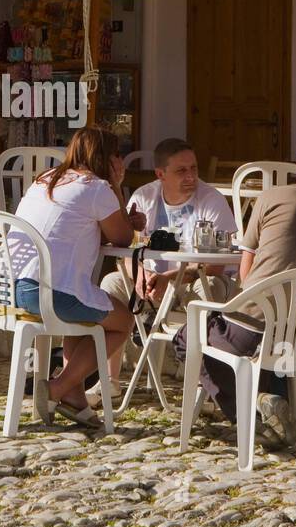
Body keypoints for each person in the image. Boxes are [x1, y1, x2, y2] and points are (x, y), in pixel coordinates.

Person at [175, 130, 296, 449]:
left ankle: (252, 409)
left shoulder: (271, 199)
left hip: (252, 329)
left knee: (187, 337)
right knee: (255, 348)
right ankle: (268, 409)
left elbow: (245, 273)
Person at [6, 127, 135, 426]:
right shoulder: (97, 187)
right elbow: (124, 238)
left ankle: (74, 397)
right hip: (48, 292)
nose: (119, 159)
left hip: (10, 288)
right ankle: (58, 387)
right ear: (104, 157)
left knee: (84, 307)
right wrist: (116, 185)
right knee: (123, 321)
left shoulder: (44, 179)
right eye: (116, 153)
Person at [97, 137, 237, 402]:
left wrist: (171, 278)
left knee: (209, 289)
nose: (191, 176)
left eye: (194, 168)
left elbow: (215, 266)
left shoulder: (211, 200)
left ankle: (202, 389)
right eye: (181, 171)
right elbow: (126, 248)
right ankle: (109, 382)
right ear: (160, 174)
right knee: (112, 284)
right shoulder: (144, 197)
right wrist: (137, 274)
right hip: (152, 284)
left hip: (194, 282)